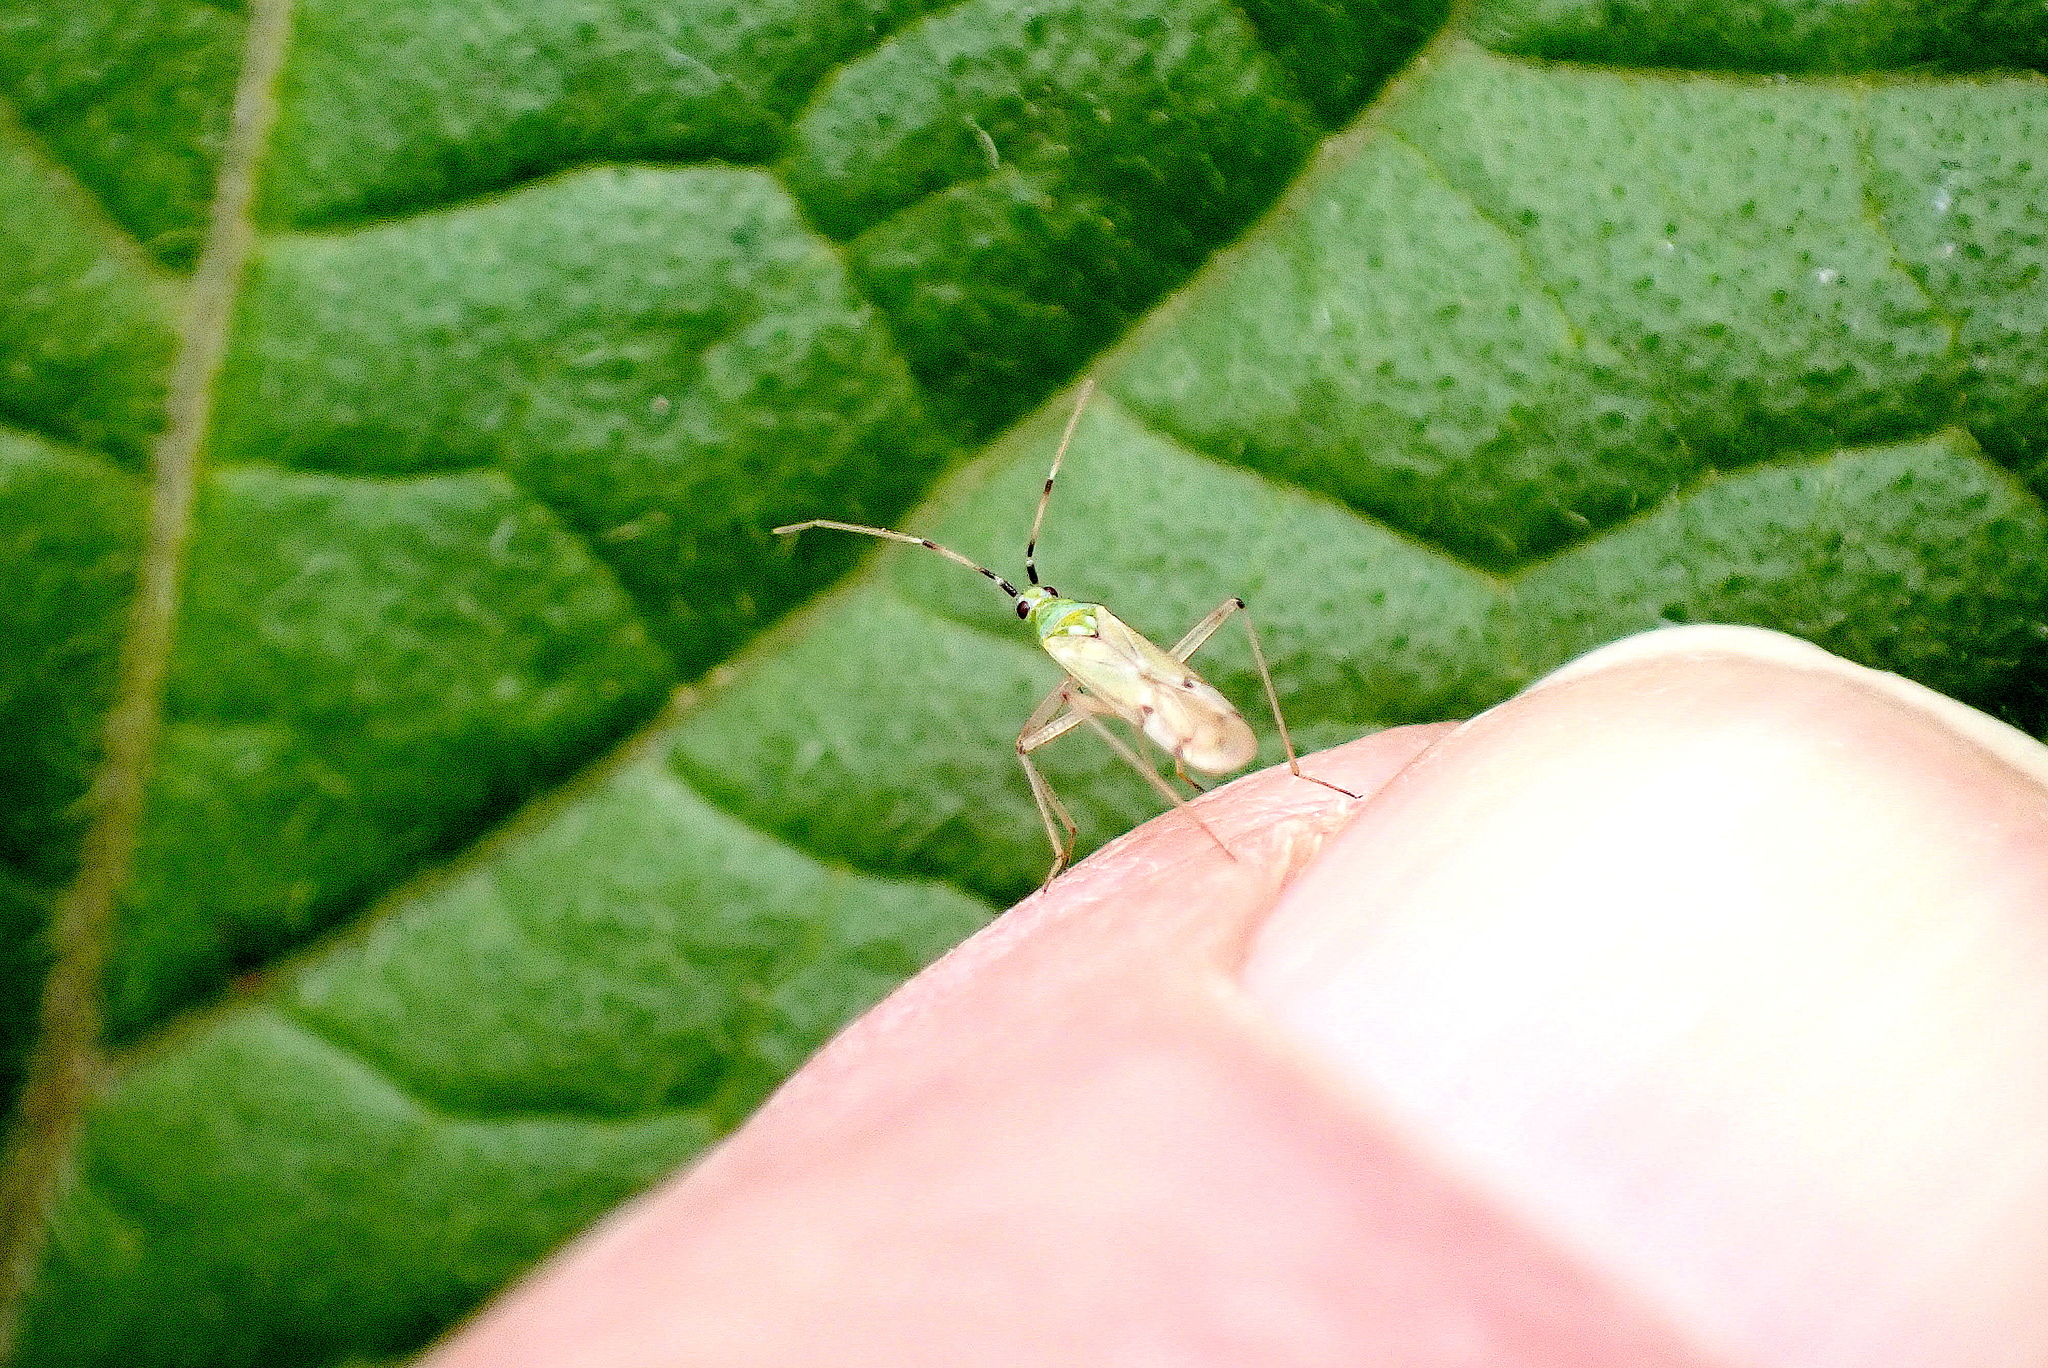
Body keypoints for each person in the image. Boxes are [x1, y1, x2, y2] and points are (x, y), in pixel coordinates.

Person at [425, 625, 2048, 1366]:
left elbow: (1132, 687)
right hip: (1165, 719)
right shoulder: (1075, 662)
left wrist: (1196, 748)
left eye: (1034, 605)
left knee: (1145, 731)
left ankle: (1238, 794)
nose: (1040, 621)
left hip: (1183, 718)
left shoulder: (1091, 647)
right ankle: (1205, 809)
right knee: (1072, 748)